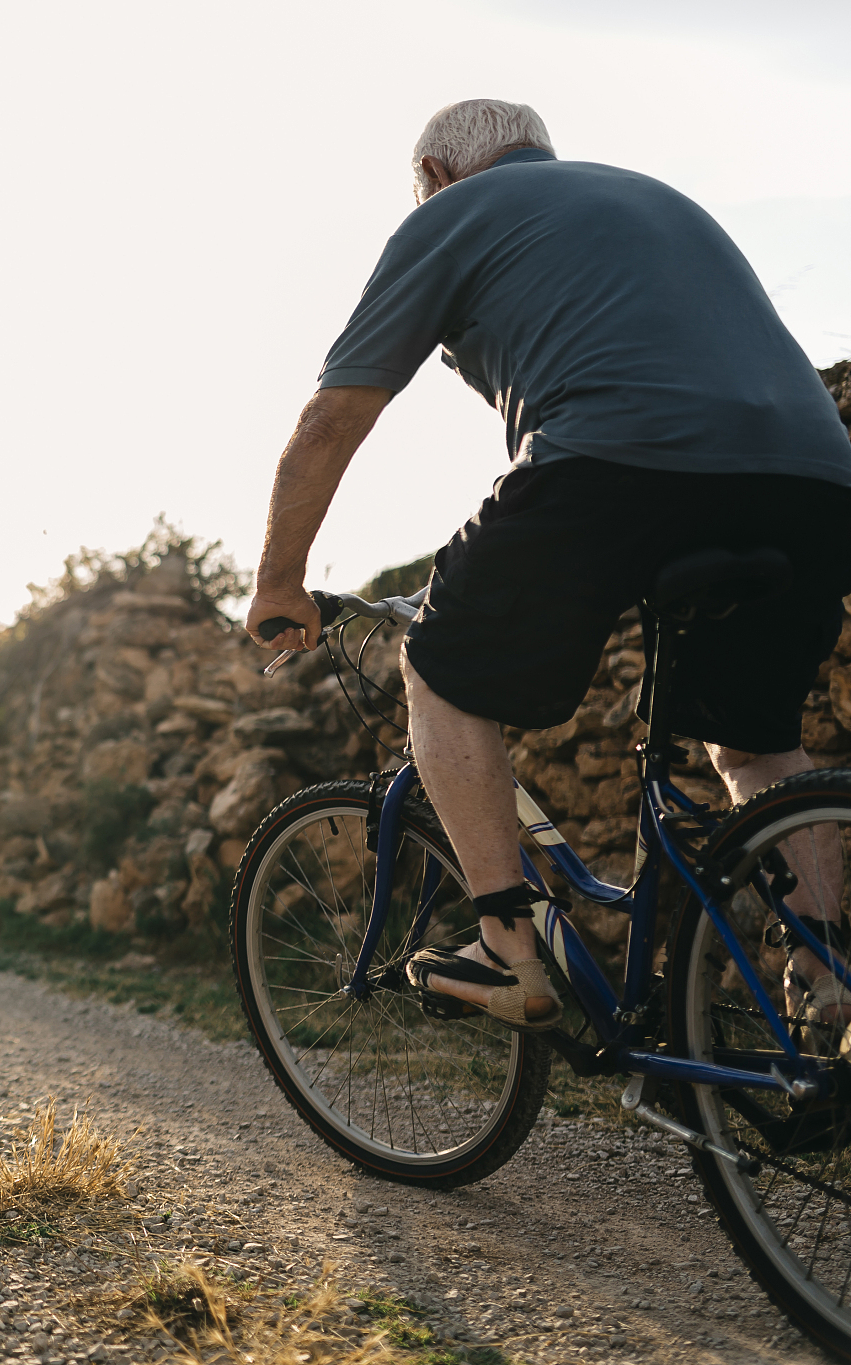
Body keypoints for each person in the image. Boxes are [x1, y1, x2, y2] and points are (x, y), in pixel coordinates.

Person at [244, 99, 851, 1033]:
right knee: (757, 741)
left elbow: (332, 421)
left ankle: (507, 950)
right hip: (816, 478)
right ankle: (827, 980)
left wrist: (279, 582)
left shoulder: (451, 215)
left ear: (439, 180)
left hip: (618, 460)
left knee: (439, 669)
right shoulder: (653, 199)